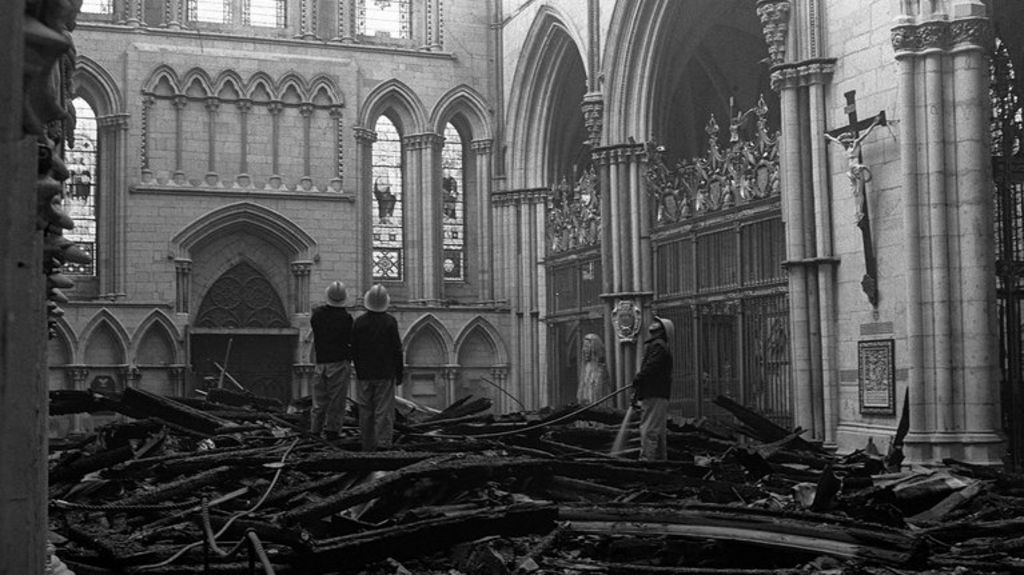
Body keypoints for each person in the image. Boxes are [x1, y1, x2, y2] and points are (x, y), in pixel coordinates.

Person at [352, 284, 404, 451]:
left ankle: (366, 444)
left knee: (365, 411)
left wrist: (359, 370)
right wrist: (399, 373)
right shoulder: (390, 322)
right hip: (385, 373)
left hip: (365, 374)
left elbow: (354, 349)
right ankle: (382, 444)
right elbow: (397, 349)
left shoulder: (359, 322)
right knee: (383, 411)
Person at [309, 281, 354, 441]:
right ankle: (332, 432)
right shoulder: (346, 318)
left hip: (320, 363)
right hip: (339, 363)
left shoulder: (318, 315)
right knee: (336, 400)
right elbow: (350, 340)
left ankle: (315, 430)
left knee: (319, 400)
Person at [631, 315, 675, 461]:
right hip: (658, 394)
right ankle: (661, 462)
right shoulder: (659, 345)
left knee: (649, 429)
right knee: (658, 431)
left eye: (657, 324)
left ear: (662, 330)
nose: (653, 325)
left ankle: (647, 463)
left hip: (654, 394)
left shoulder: (658, 346)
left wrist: (639, 378)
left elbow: (652, 367)